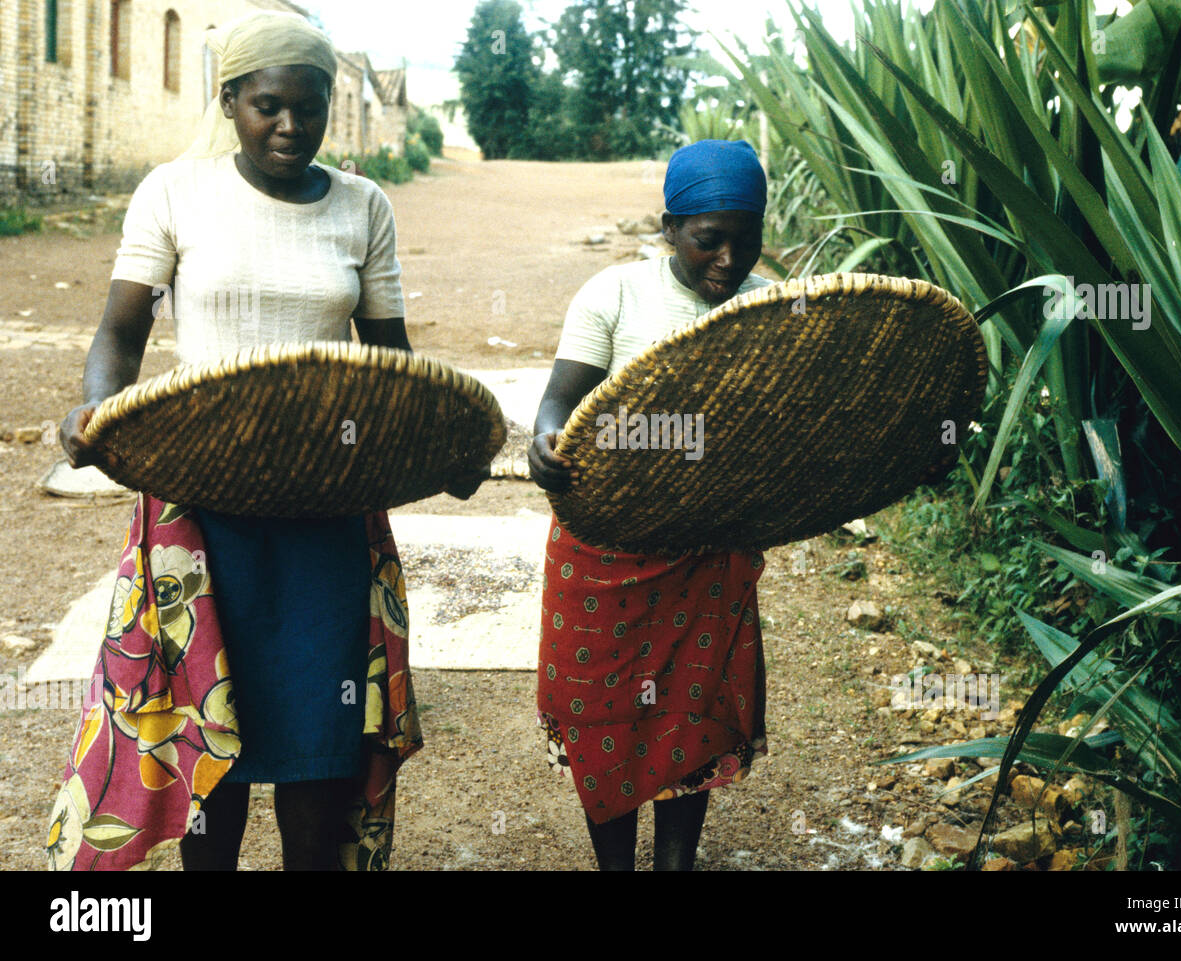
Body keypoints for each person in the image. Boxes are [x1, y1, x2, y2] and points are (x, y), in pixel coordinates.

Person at [46, 11, 483, 872]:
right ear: (230, 100)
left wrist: (439, 449)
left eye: (310, 109)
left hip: (326, 509)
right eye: (268, 107)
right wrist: (95, 412)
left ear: (330, 106)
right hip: (201, 507)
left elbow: (392, 366)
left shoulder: (363, 206)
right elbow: (120, 337)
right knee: (212, 746)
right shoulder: (175, 192)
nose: (291, 127)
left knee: (322, 744)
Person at [529, 140, 772, 871]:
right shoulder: (615, 295)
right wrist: (547, 442)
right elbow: (557, 404)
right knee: (604, 710)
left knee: (686, 717)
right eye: (708, 240)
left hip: (706, 550)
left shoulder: (767, 309)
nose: (729, 259)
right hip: (604, 546)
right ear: (669, 228)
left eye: (747, 238)